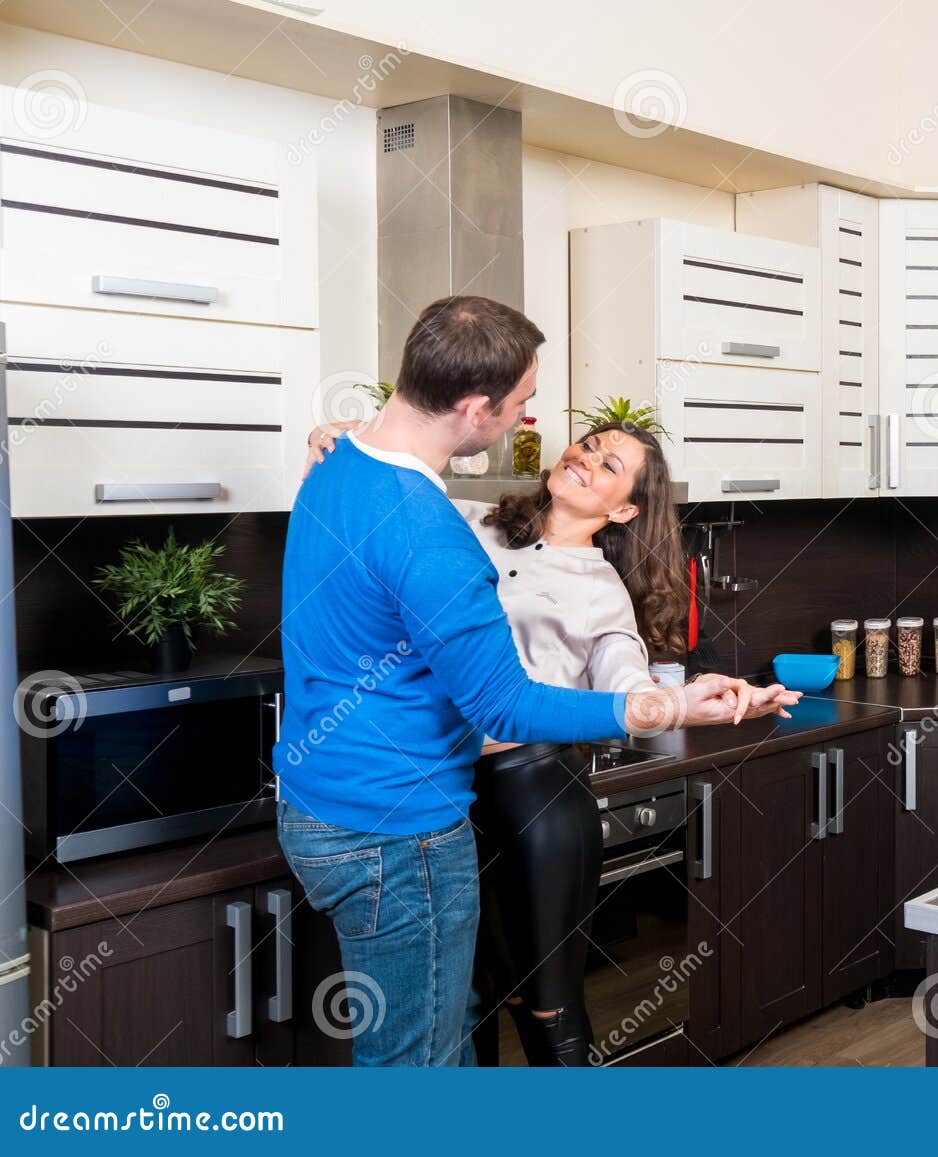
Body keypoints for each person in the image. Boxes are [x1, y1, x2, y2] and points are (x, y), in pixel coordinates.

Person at [275, 296, 797, 1067]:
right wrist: (677, 703)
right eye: (522, 402)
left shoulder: (346, 472)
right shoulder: (449, 528)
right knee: (422, 1058)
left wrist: (671, 699)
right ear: (477, 408)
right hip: (404, 821)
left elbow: (611, 677)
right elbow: (505, 702)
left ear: (625, 510)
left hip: (426, 799)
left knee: (491, 1016)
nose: (534, 422)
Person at [305, 418, 706, 1065]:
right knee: (473, 997)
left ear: (625, 508)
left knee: (544, 1002)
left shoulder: (602, 592)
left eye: (609, 467)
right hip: (445, 800)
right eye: (590, 445)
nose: (587, 459)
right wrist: (338, 447)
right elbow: (385, 516)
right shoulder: (472, 521)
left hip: (536, 800)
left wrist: (684, 701)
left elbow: (628, 694)